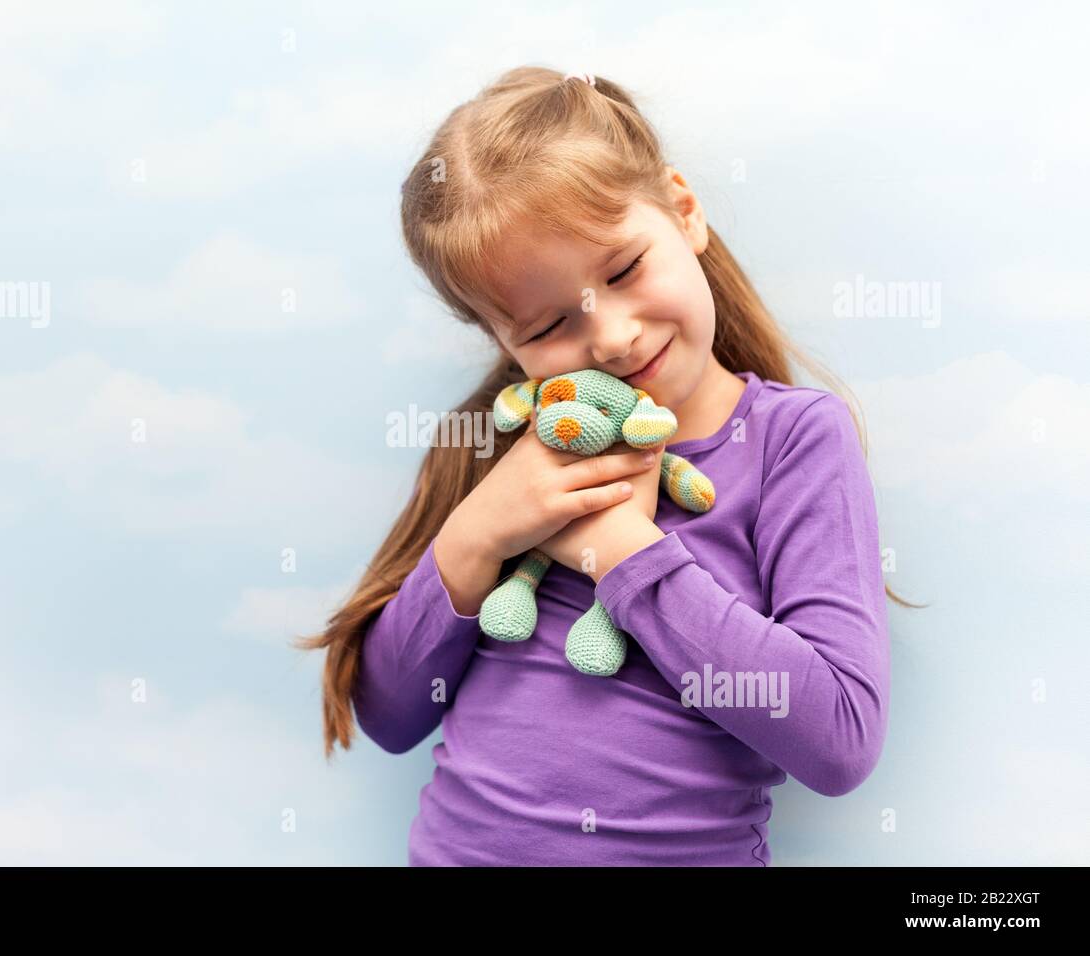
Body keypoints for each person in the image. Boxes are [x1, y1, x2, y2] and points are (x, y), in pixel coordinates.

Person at [299, 66, 918, 866]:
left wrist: (623, 551)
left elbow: (839, 740)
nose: (616, 338)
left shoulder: (793, 442)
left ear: (685, 211)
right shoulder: (499, 453)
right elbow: (390, 717)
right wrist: (476, 537)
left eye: (624, 270)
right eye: (551, 323)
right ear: (505, 343)